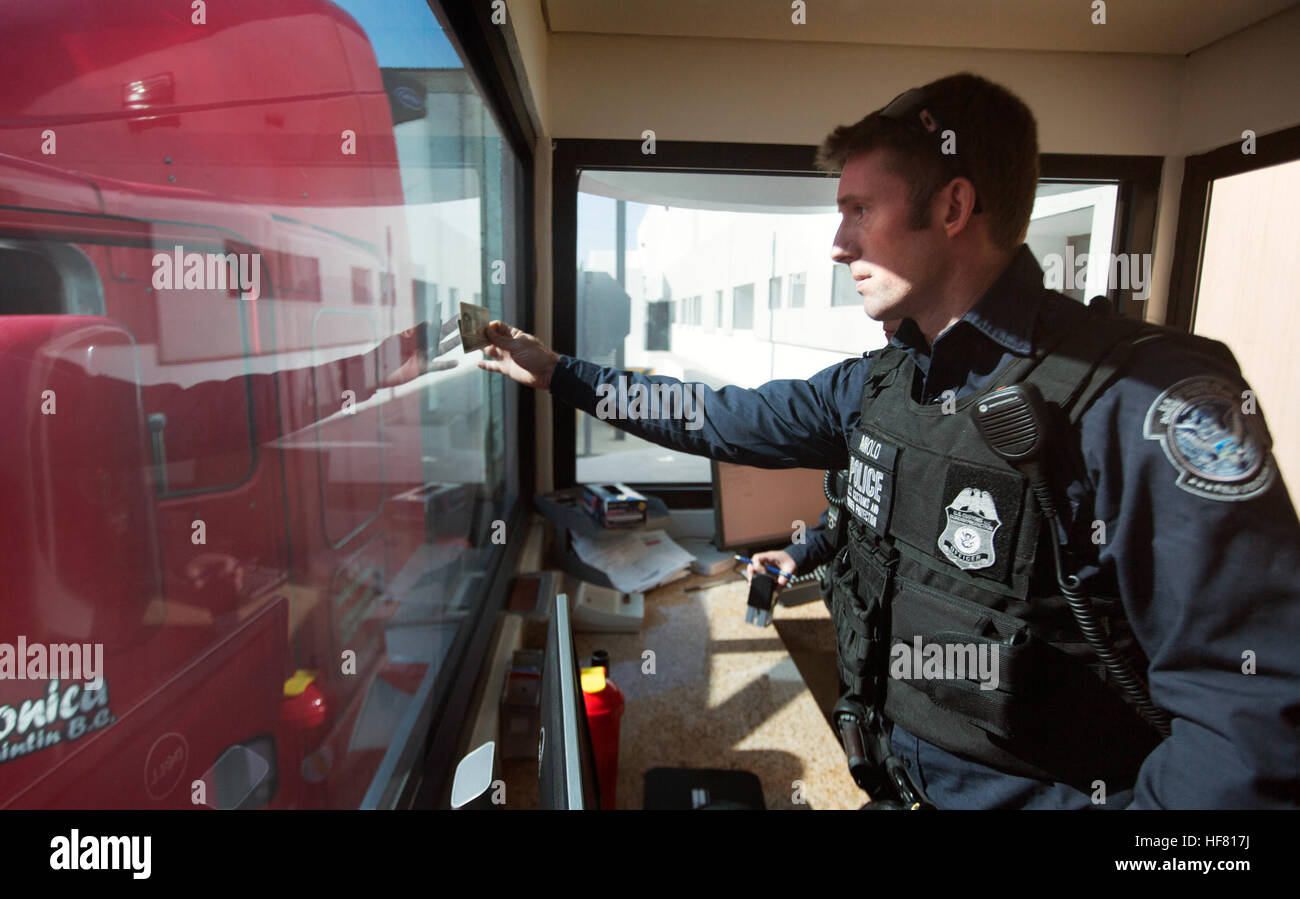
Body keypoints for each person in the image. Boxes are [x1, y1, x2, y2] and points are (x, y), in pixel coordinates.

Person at [477, 73, 1300, 809]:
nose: (838, 246)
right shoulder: (880, 385)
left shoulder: (1145, 396)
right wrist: (557, 373)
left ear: (952, 206)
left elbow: (1256, 725)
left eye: (858, 211)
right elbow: (712, 414)